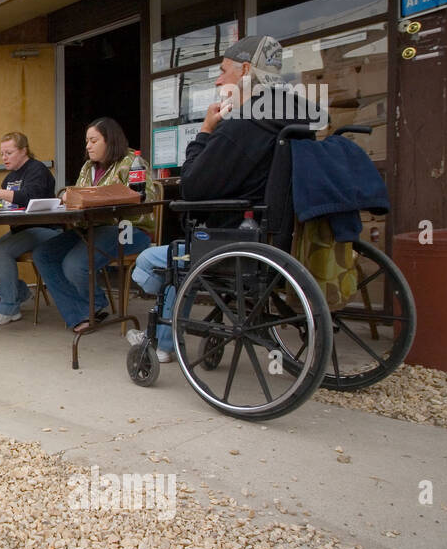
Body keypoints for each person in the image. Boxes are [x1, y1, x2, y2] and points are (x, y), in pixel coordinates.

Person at [128, 35, 291, 362]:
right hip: (277, 238)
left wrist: (205, 130)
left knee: (157, 261)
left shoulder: (243, 126)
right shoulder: (287, 119)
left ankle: (161, 342)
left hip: (235, 243)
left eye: (222, 71)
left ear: (245, 70)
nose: (218, 80)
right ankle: (166, 337)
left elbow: (191, 186)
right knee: (181, 259)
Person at [32, 117, 153, 332]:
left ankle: (93, 306)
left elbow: (145, 201)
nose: (88, 146)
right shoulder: (88, 167)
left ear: (110, 140)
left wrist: (103, 200)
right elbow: (79, 196)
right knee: (43, 253)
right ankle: (81, 311)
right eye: (87, 141)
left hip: (128, 230)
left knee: (74, 263)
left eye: (93, 140)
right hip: (90, 228)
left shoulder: (131, 163)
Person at [0, 132, 59, 324]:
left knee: (3, 251)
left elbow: (30, 197)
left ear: (23, 151)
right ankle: (20, 292)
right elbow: (10, 206)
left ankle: (10, 308)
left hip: (45, 228)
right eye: (2, 153)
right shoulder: (9, 178)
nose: (4, 158)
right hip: (21, 231)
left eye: (9, 153)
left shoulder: (37, 170)